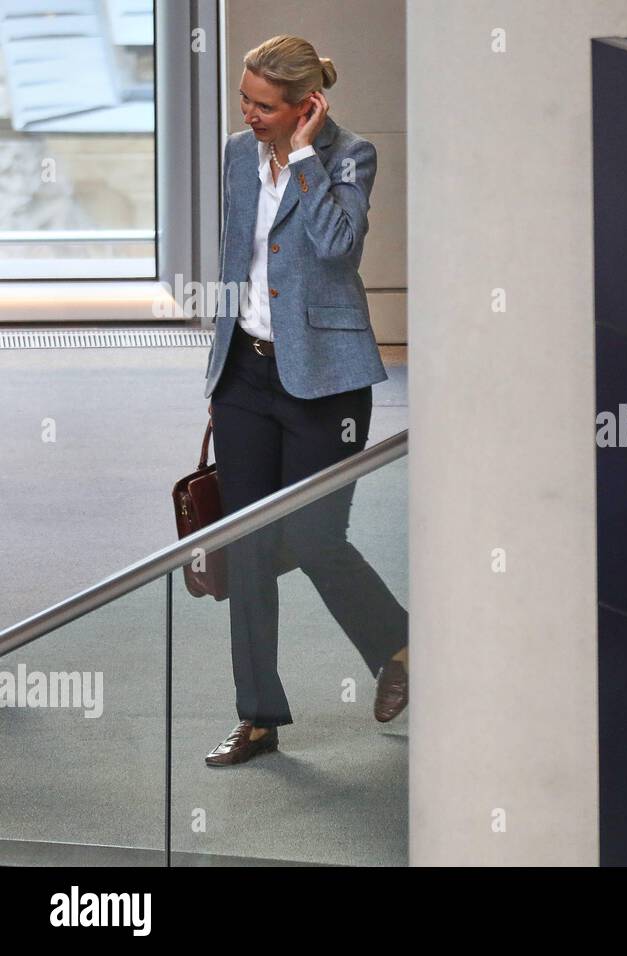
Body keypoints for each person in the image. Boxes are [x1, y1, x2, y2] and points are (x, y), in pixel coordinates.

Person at [201, 35, 408, 766]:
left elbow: (337, 247)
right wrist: (219, 368)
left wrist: (304, 159)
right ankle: (258, 717)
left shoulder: (349, 156)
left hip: (327, 379)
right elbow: (236, 260)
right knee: (247, 546)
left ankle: (398, 646)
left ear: (305, 105)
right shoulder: (237, 154)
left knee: (317, 537)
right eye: (245, 100)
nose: (248, 115)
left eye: (264, 106)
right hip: (245, 375)